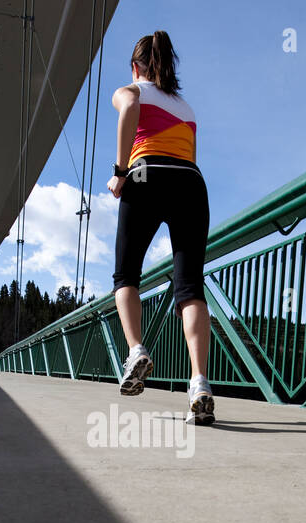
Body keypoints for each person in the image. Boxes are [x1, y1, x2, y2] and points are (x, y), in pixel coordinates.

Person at [108, 31, 213, 425]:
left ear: (136, 67)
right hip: (191, 180)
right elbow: (188, 155)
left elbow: (130, 104)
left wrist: (120, 173)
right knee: (190, 287)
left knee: (126, 275)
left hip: (147, 172)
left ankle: (136, 350)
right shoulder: (186, 106)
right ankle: (199, 382)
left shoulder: (131, 88)